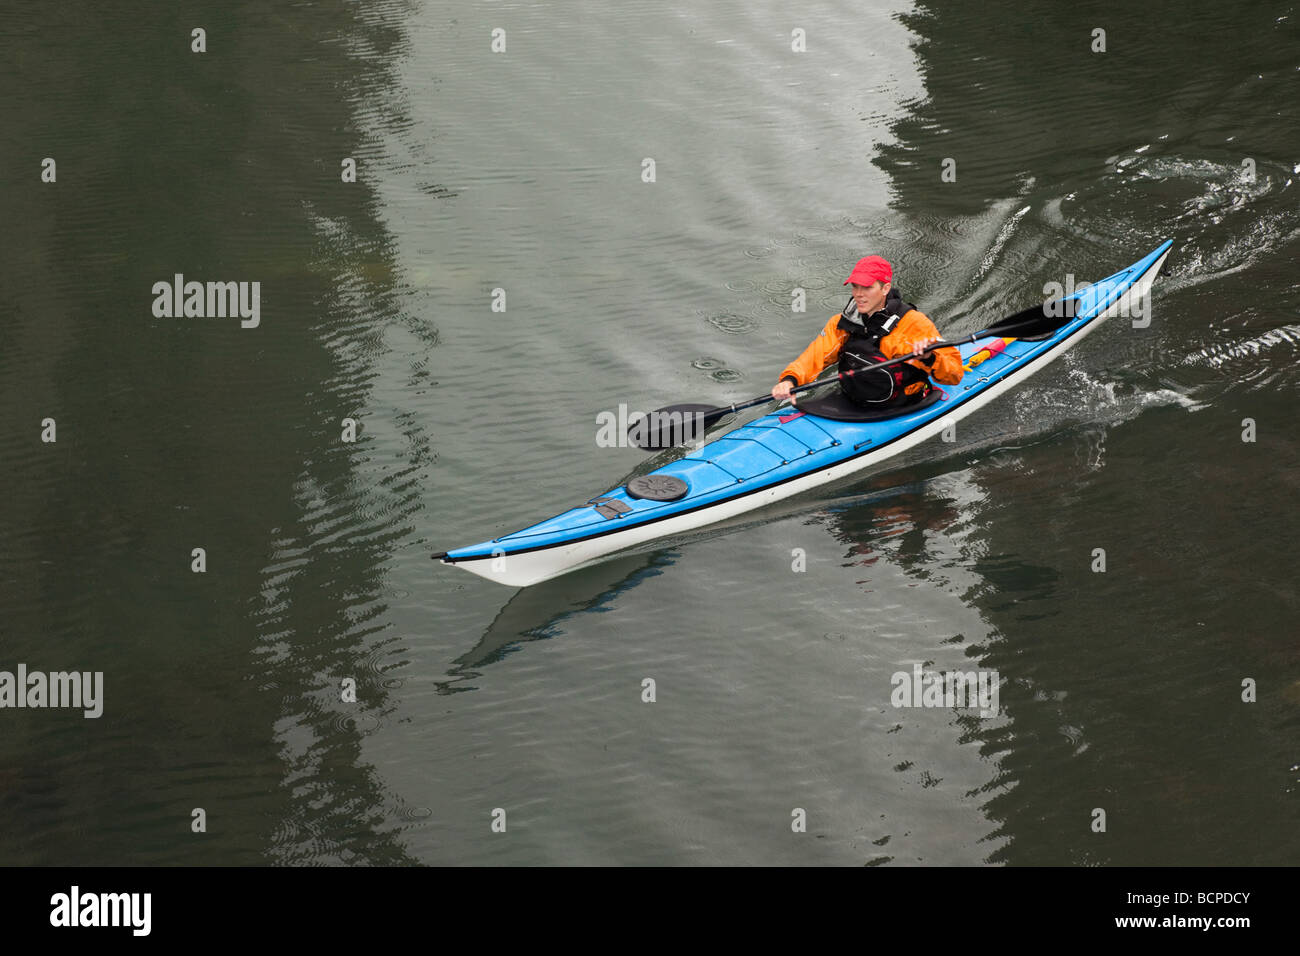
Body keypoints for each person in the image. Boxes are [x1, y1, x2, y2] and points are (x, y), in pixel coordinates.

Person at [772, 255, 963, 409]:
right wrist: (790, 380)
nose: (858, 294)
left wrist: (929, 357)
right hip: (855, 399)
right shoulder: (842, 322)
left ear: (885, 288)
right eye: (855, 286)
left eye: (867, 287)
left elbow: (954, 375)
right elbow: (815, 356)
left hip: (904, 404)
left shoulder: (914, 323)